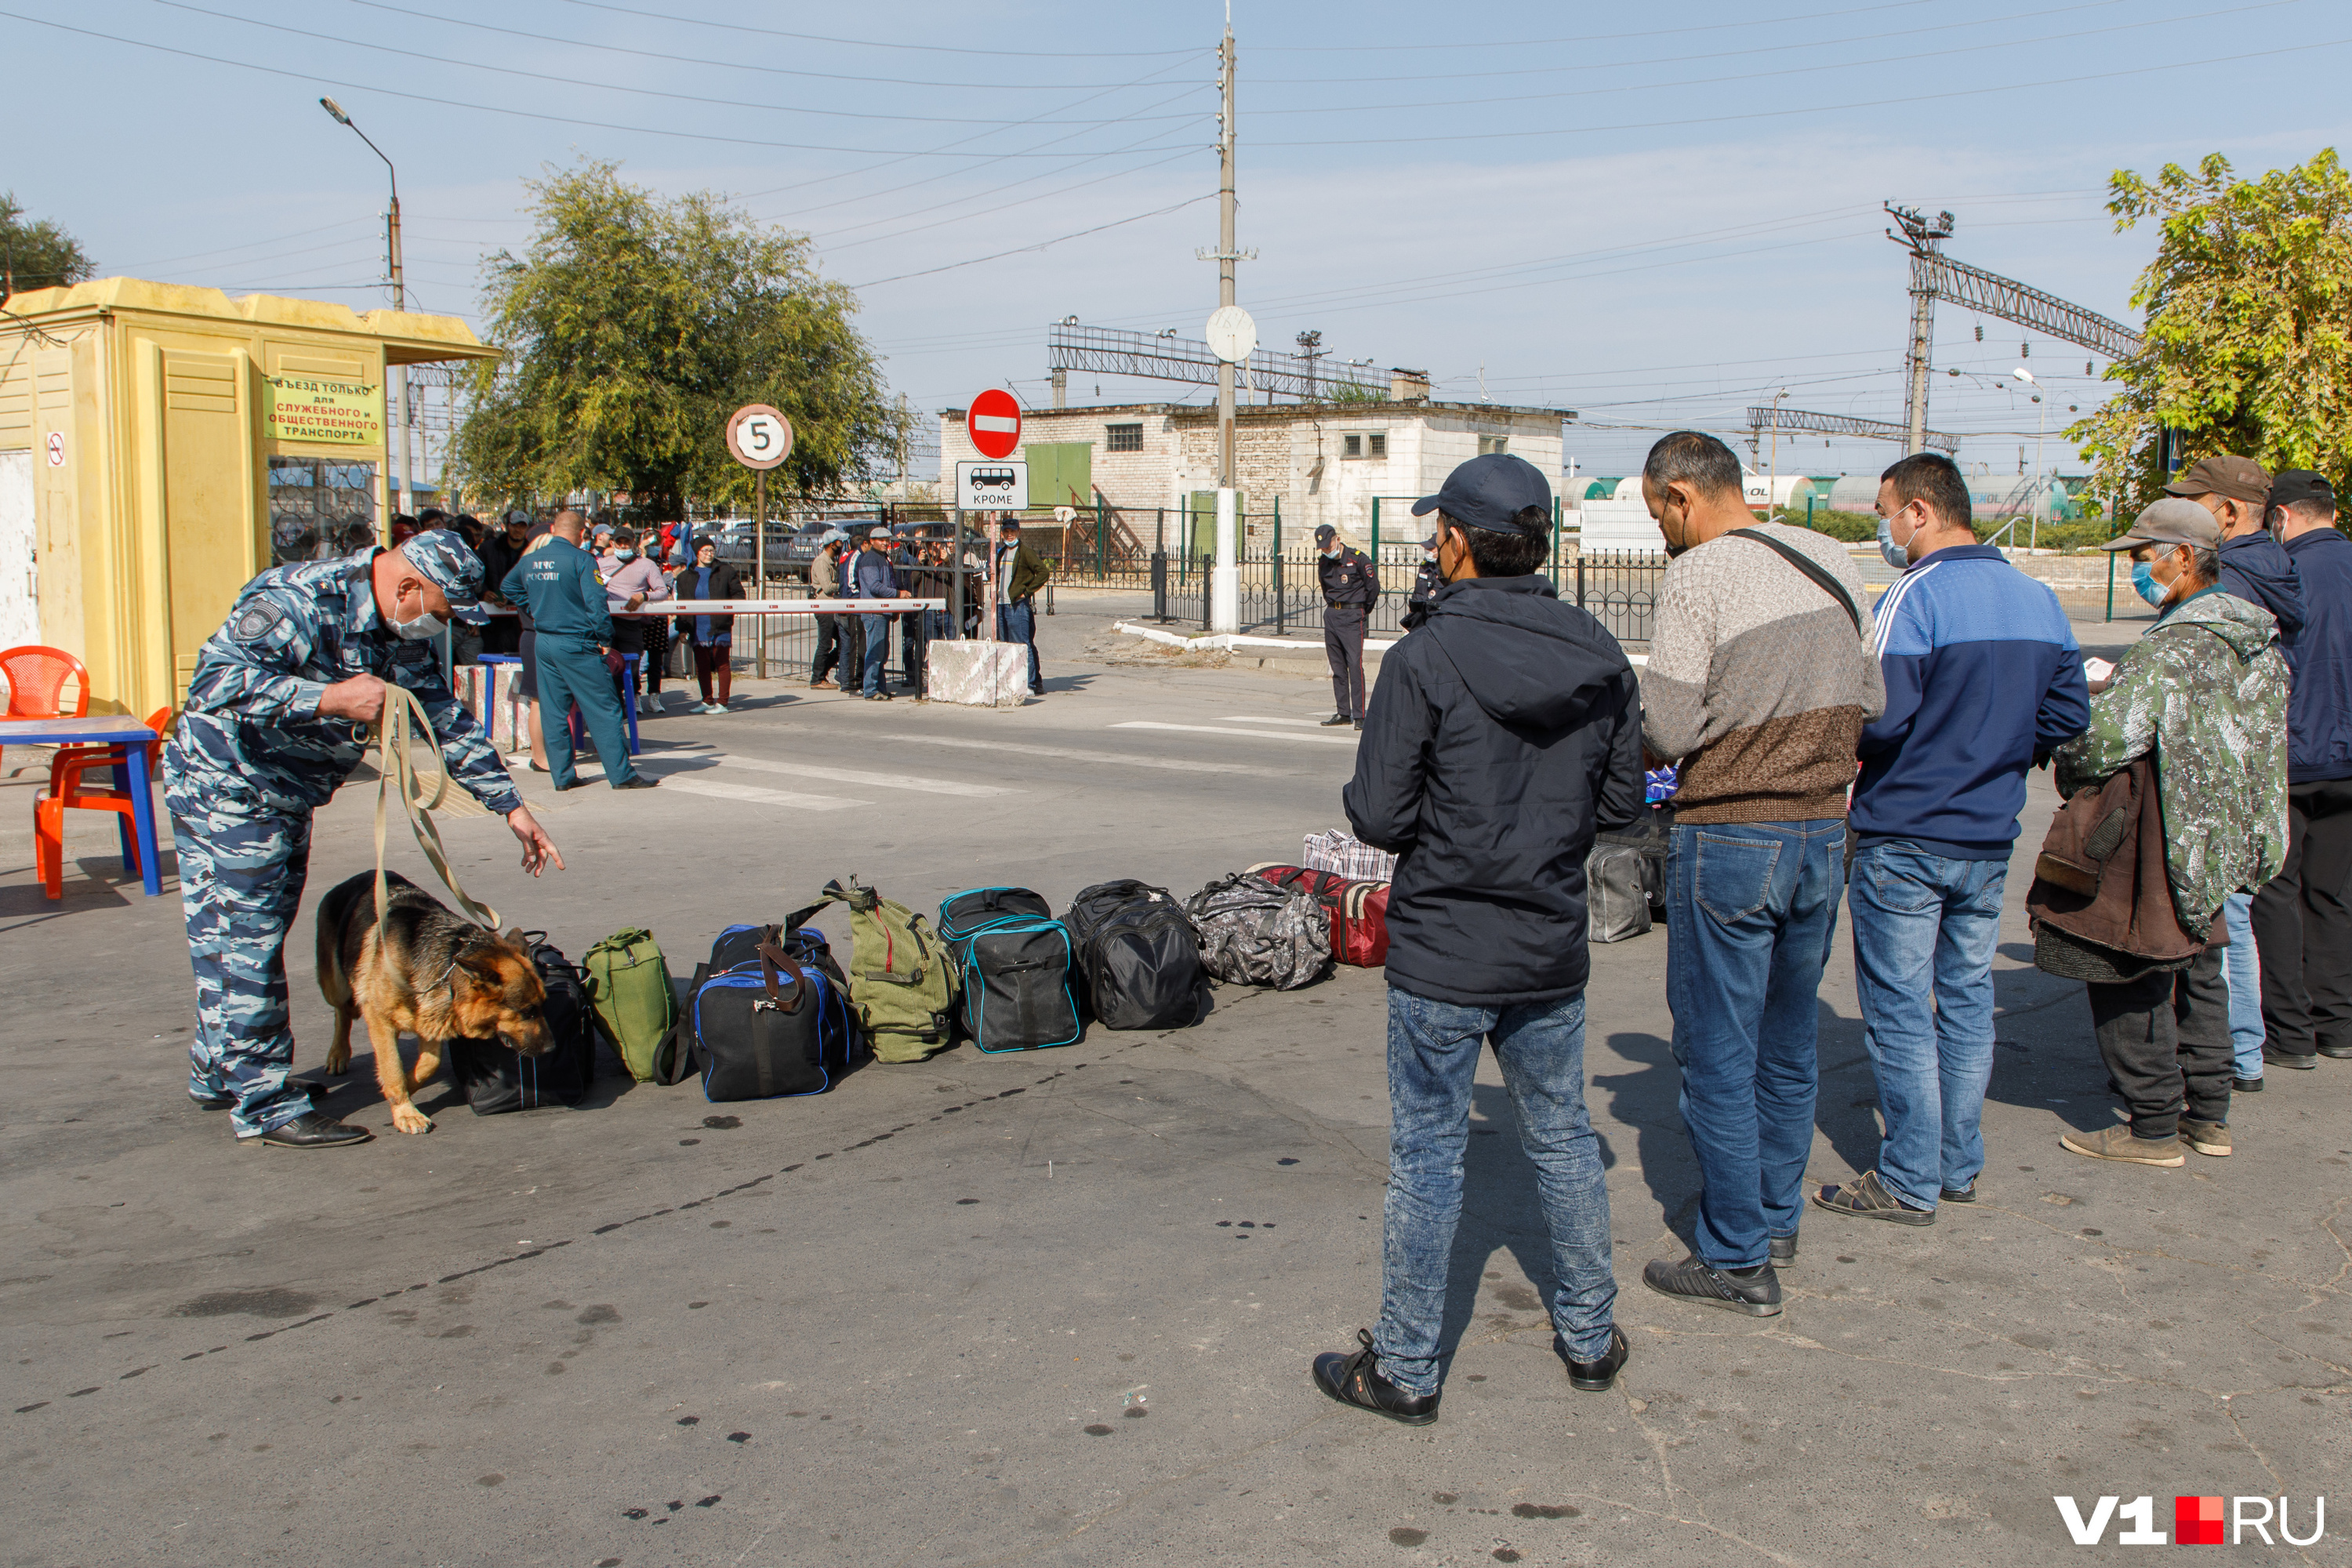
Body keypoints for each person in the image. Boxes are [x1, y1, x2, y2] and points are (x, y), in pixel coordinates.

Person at [1317, 452, 1643, 1424]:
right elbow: (1624, 804)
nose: (1431, 546)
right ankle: (1591, 1335)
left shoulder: (1423, 657)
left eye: (1435, 532)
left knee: (1427, 1158)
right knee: (1563, 1141)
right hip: (1547, 944)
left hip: (1446, 949)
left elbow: (1376, 814)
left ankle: (1409, 1368)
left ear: (1458, 540)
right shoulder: (1601, 652)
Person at [162, 530, 564, 1149]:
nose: (442, 626)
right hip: (229, 783)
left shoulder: (393, 633)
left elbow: (442, 719)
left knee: (230, 932)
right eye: (439, 612)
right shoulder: (299, 598)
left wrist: (510, 807)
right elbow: (215, 686)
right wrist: (327, 697)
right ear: (407, 587)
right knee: (248, 938)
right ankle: (264, 1102)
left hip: (283, 793)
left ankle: (223, 1071)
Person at [1635, 430, 1883, 1316]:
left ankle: (1737, 1256)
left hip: (1734, 831)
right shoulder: (1835, 555)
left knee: (1714, 1050)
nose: (1660, 529)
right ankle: (1775, 1219)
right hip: (1824, 833)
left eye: (1656, 511)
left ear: (1680, 496)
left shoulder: (1697, 575)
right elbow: (1876, 698)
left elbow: (1666, 726)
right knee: (1786, 1042)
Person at [1812, 452, 2088, 1226]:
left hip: (1906, 832)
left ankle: (1907, 1177)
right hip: (1989, 833)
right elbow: (2068, 716)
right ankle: (1956, 1163)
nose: (1884, 524)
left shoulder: (1915, 593)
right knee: (1966, 997)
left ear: (1922, 511)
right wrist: (1996, 747)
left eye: (1886, 509)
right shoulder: (2039, 598)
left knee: (1899, 1004)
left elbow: (1885, 713)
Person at [2052, 499, 2288, 1163]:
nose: (2136, 570)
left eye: (2141, 555)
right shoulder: (2259, 641)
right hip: (2223, 839)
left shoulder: (2173, 647)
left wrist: (2070, 756)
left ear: (2184, 557)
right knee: (2202, 966)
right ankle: (2209, 1114)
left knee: (2125, 962)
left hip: (2159, 833)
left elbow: (2103, 744)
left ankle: (2151, 1122)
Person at [2167, 456, 2302, 1094]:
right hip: (2256, 772)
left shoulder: (2234, 580)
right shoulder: (2278, 569)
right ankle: (2241, 1052)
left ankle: (2228, 1059)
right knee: (2238, 918)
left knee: (2223, 926)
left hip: (2220, 777)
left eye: (2197, 503)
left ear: (2226, 512)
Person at [2250, 470, 2352, 1071]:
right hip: (2346, 765)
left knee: (2276, 891)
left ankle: (2288, 1033)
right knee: (2333, 894)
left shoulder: (2284, 576)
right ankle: (2336, 1023)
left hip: (2291, 757)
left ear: (2282, 517)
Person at [499, 510, 653, 790]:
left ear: (554, 529)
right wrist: (605, 638)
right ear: (583, 533)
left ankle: (563, 777)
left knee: (554, 709)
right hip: (577, 642)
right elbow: (597, 603)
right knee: (603, 707)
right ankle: (621, 775)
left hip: (544, 642)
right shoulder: (582, 559)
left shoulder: (531, 560)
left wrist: (534, 608)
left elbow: (508, 586)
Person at [1316, 523, 1379, 728]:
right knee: (1337, 667)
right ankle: (1343, 712)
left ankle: (1359, 715)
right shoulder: (1323, 563)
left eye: (1328, 545)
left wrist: (1361, 611)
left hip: (1353, 616)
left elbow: (1373, 588)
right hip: (1333, 614)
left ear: (1338, 539)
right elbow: (1326, 589)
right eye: (1323, 548)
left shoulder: (1358, 559)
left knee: (1354, 665)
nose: (1326, 550)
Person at [599, 528, 671, 702]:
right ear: (612, 544)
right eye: (619, 542)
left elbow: (662, 592)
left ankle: (629, 699)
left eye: (627, 542)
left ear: (634, 543)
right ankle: (618, 705)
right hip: (606, 624)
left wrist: (644, 596)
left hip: (631, 626)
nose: (623, 546)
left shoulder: (647, 565)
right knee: (606, 669)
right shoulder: (601, 563)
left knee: (630, 670)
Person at [673, 536, 742, 713]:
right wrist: (682, 628)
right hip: (697, 627)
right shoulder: (685, 577)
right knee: (702, 666)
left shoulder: (726, 571)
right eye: (705, 551)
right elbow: (682, 604)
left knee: (722, 664)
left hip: (720, 625)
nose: (709, 554)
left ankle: (723, 703)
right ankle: (707, 700)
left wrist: (727, 612)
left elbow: (738, 595)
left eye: (712, 550)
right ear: (697, 553)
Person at [992, 517, 1049, 696]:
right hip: (1001, 605)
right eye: (1006, 532)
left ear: (1019, 532)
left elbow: (1043, 572)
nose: (1010, 535)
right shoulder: (1001, 553)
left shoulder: (1024, 552)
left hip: (1017, 606)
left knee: (1023, 645)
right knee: (1007, 645)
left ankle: (1031, 684)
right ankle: (1013, 681)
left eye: (1013, 532)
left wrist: (1026, 592)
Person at [853, 525, 912, 700]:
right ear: (872, 542)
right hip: (874, 612)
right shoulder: (870, 559)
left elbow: (889, 582)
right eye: (882, 540)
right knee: (875, 652)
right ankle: (871, 690)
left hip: (882, 611)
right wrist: (898, 595)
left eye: (887, 540)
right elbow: (874, 586)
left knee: (882, 652)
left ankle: (879, 688)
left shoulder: (882, 558)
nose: (886, 543)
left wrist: (893, 607)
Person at [479, 510, 532, 656]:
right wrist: (484, 592)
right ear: (507, 526)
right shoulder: (488, 548)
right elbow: (476, 577)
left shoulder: (532, 552)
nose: (518, 530)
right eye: (514, 525)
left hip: (520, 622)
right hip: (491, 622)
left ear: (527, 528)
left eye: (522, 526)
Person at [809, 527, 848, 689]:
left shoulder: (832, 561)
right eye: (840, 542)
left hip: (831, 606)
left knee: (842, 643)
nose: (842, 545)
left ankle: (821, 674)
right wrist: (844, 585)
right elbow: (827, 587)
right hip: (824, 607)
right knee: (825, 644)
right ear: (832, 544)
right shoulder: (822, 562)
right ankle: (817, 679)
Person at [1402, 533, 1443, 630]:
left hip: (1435, 619)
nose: (1427, 551)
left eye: (1430, 549)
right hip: (1419, 618)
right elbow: (1417, 592)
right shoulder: (1425, 566)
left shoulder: (1445, 570)